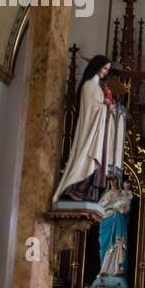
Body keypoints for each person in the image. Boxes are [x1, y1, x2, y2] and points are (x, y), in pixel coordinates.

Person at [53, 55, 125, 202]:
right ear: (97, 67)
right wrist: (105, 107)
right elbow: (90, 111)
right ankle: (75, 189)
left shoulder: (98, 88)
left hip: (97, 133)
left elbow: (98, 107)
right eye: (105, 68)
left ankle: (88, 193)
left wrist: (107, 106)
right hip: (89, 133)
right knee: (86, 160)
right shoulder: (88, 86)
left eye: (107, 69)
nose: (106, 72)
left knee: (95, 164)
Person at [91, 180, 133, 287]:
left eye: (114, 180)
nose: (112, 182)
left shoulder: (121, 193)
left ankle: (116, 268)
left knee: (116, 243)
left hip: (116, 219)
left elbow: (126, 206)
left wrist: (119, 205)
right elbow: (98, 208)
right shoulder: (106, 194)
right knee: (104, 246)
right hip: (106, 220)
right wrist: (107, 202)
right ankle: (104, 269)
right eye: (110, 180)